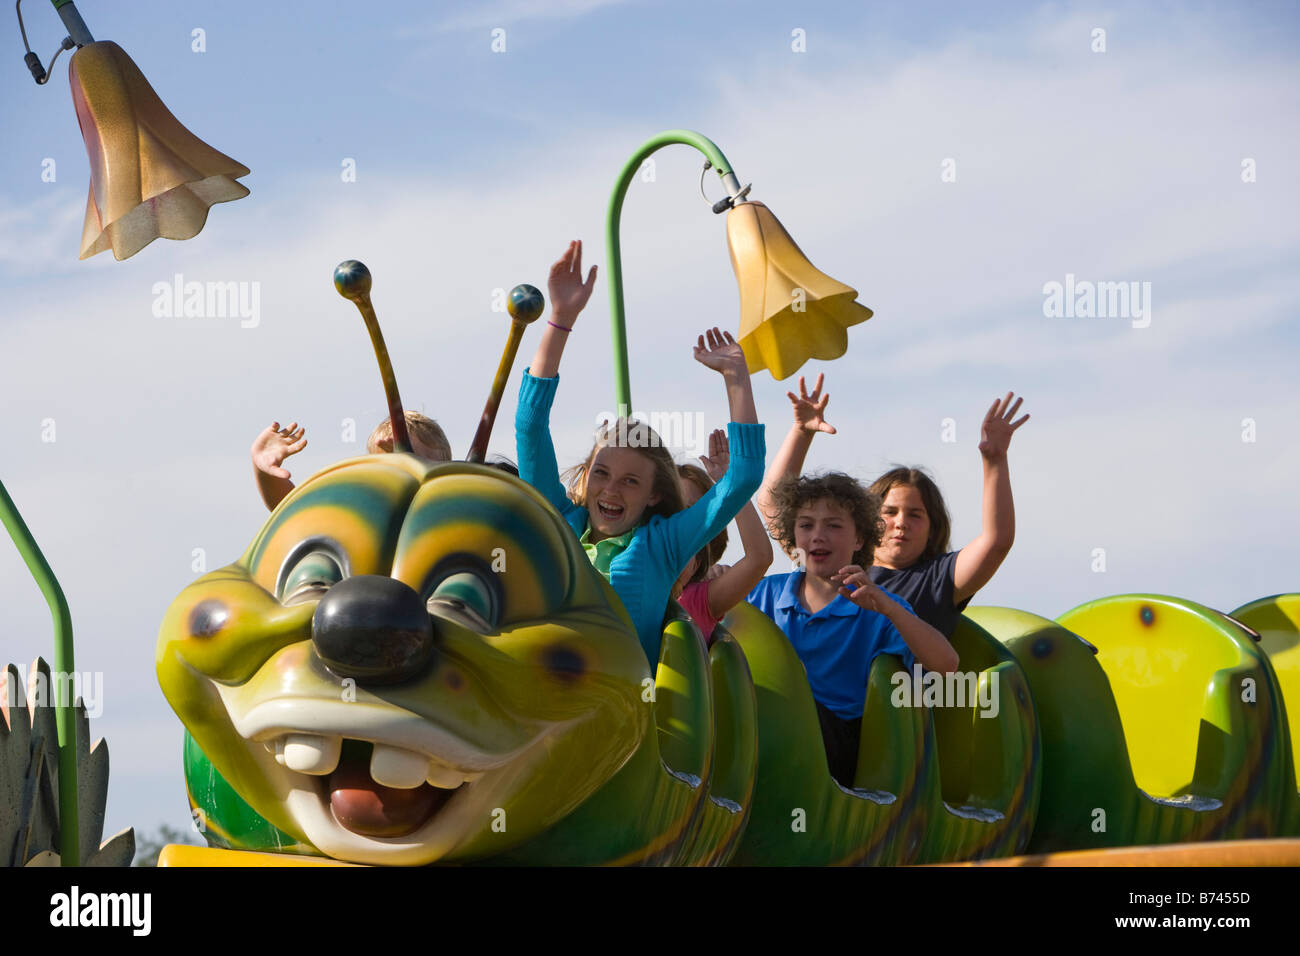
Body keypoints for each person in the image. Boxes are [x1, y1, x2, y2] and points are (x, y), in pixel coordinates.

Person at [515, 239, 765, 665]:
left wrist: (737, 378)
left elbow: (743, 476)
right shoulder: (560, 521)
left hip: (622, 712)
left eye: (630, 481)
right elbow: (529, 425)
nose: (611, 490)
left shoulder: (663, 545)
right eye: (602, 474)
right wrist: (559, 319)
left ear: (653, 495)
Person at [757, 374, 1029, 637]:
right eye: (889, 512)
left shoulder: (936, 579)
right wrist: (801, 432)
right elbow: (772, 505)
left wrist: (994, 461)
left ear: (933, 528)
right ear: (865, 524)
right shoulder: (831, 561)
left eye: (915, 515)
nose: (901, 522)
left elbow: (996, 542)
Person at [748, 469, 957, 788]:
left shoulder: (878, 606)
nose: (818, 535)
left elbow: (947, 665)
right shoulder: (763, 594)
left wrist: (889, 609)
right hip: (766, 729)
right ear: (792, 536)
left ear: (859, 537)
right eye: (806, 525)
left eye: (833, 525)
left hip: (838, 745)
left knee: (792, 708)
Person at [671, 429, 774, 645]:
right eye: (670, 509)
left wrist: (732, 483)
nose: (680, 521)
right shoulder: (626, 576)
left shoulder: (701, 599)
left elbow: (759, 558)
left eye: (691, 511)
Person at [250, 411, 452, 511]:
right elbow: (297, 512)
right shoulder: (363, 511)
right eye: (392, 467)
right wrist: (265, 471)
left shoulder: (448, 514)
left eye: (421, 464)